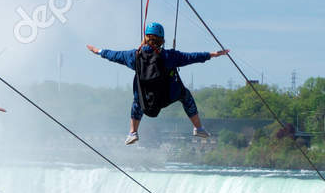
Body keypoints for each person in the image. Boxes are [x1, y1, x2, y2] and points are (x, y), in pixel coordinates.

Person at [87, 23, 228, 144]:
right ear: (162, 40)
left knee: (137, 100)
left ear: (146, 38)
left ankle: (132, 133)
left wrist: (98, 51)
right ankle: (198, 128)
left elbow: (114, 55)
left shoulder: (134, 56)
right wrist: (212, 54)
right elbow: (192, 57)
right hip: (168, 96)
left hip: (145, 100)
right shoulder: (170, 56)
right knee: (185, 96)